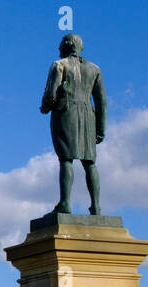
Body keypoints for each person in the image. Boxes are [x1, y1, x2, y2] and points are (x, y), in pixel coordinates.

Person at [40, 32, 107, 215]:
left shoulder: (59, 65)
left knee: (66, 159)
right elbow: (101, 102)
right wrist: (100, 128)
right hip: (88, 116)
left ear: (68, 45)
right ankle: (95, 206)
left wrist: (45, 107)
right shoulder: (94, 69)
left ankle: (65, 203)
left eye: (61, 44)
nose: (58, 48)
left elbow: (50, 95)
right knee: (89, 162)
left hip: (65, 112)